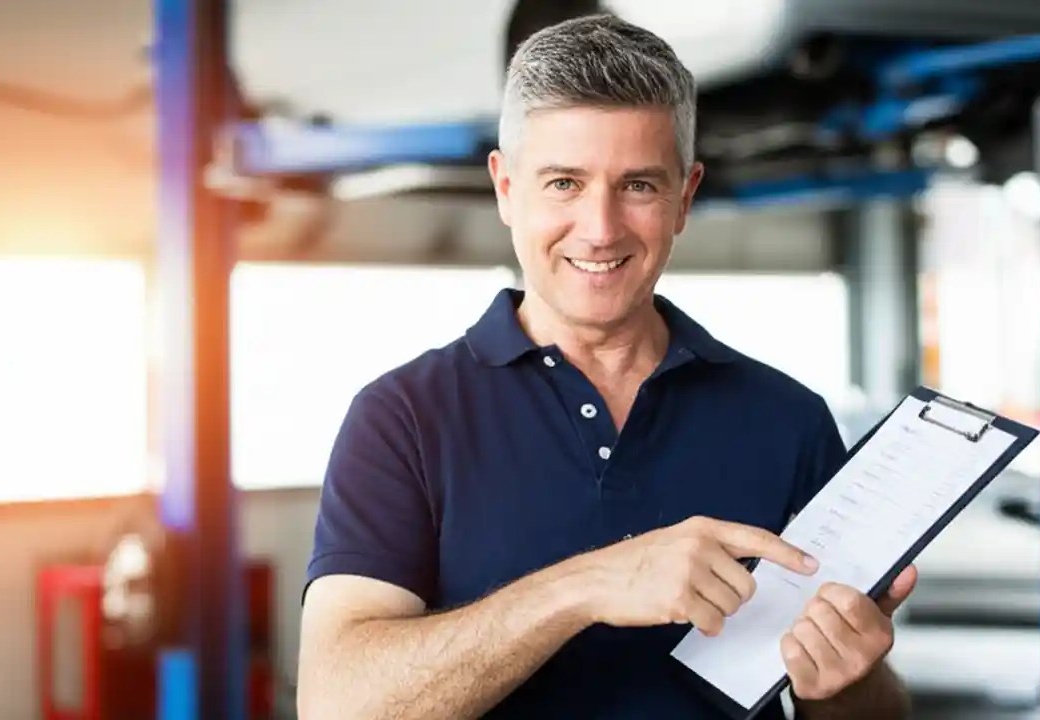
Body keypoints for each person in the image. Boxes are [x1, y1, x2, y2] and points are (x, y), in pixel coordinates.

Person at [297, 13, 917, 719]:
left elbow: (860, 713)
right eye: (564, 183)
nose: (600, 228)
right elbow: (338, 705)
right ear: (506, 188)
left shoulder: (788, 420)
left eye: (639, 186)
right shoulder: (403, 417)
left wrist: (851, 680)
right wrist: (587, 587)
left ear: (684, 197)